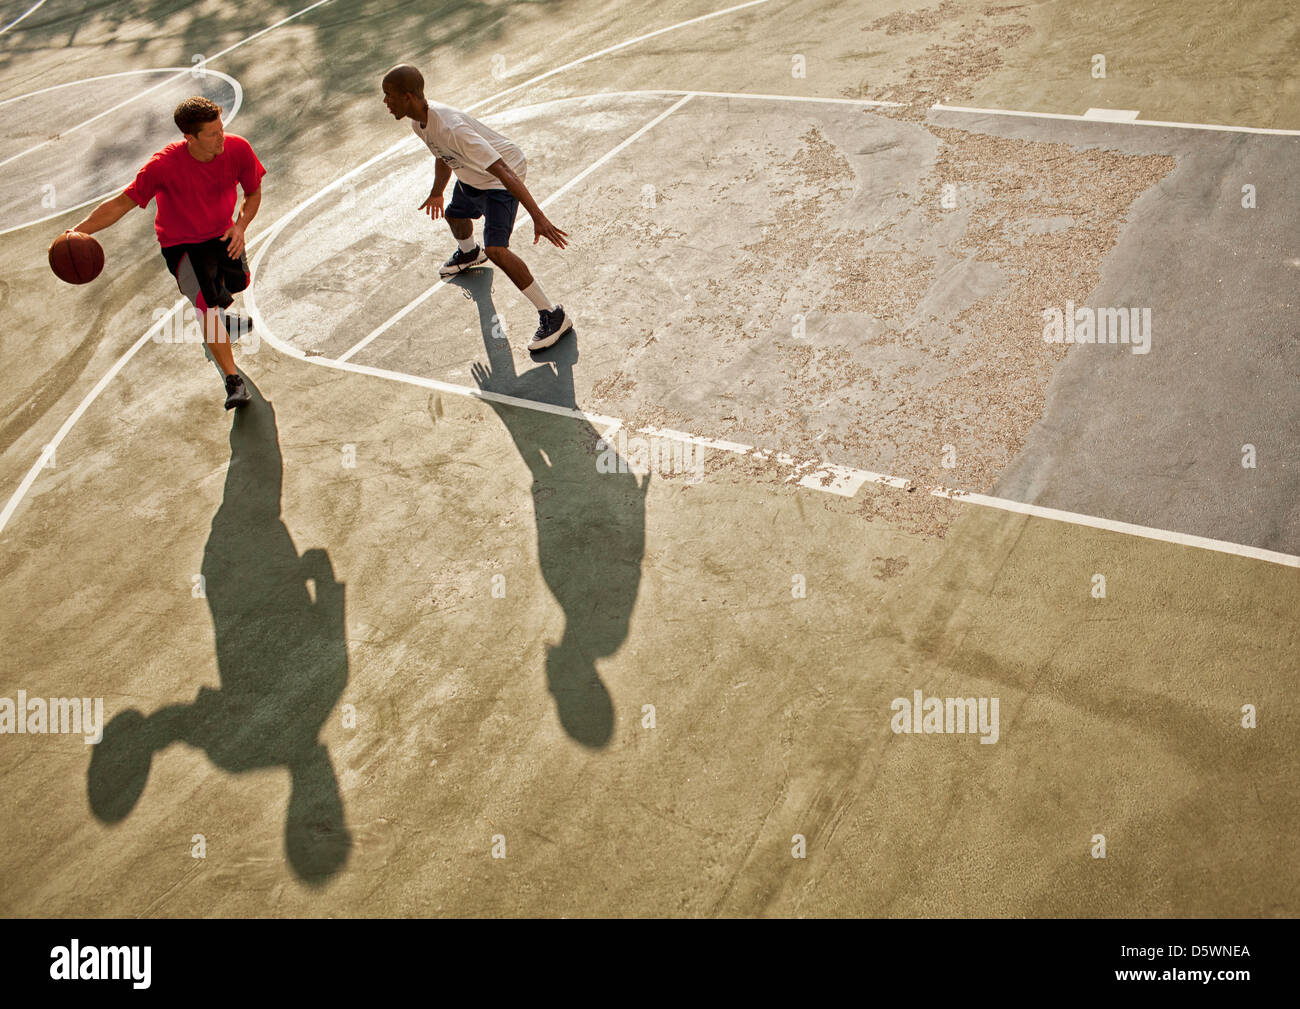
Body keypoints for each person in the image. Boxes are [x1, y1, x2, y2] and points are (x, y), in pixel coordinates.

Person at [69, 97, 265, 409]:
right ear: (190, 138)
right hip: (183, 244)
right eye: (213, 134)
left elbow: (253, 192)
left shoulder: (237, 149)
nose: (221, 138)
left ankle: (220, 324)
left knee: (237, 284)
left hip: (222, 233)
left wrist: (240, 226)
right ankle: (233, 380)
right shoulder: (163, 166)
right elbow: (122, 203)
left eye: (222, 129)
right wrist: (80, 230)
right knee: (207, 305)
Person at [381, 63, 573, 350]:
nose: (385, 102)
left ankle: (553, 314)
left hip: (500, 179)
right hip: (472, 173)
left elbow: (503, 170)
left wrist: (538, 217)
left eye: (389, 95)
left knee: (497, 249)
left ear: (408, 96)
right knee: (455, 215)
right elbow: (442, 155)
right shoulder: (419, 123)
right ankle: (470, 253)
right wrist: (437, 193)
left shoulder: (452, 127)